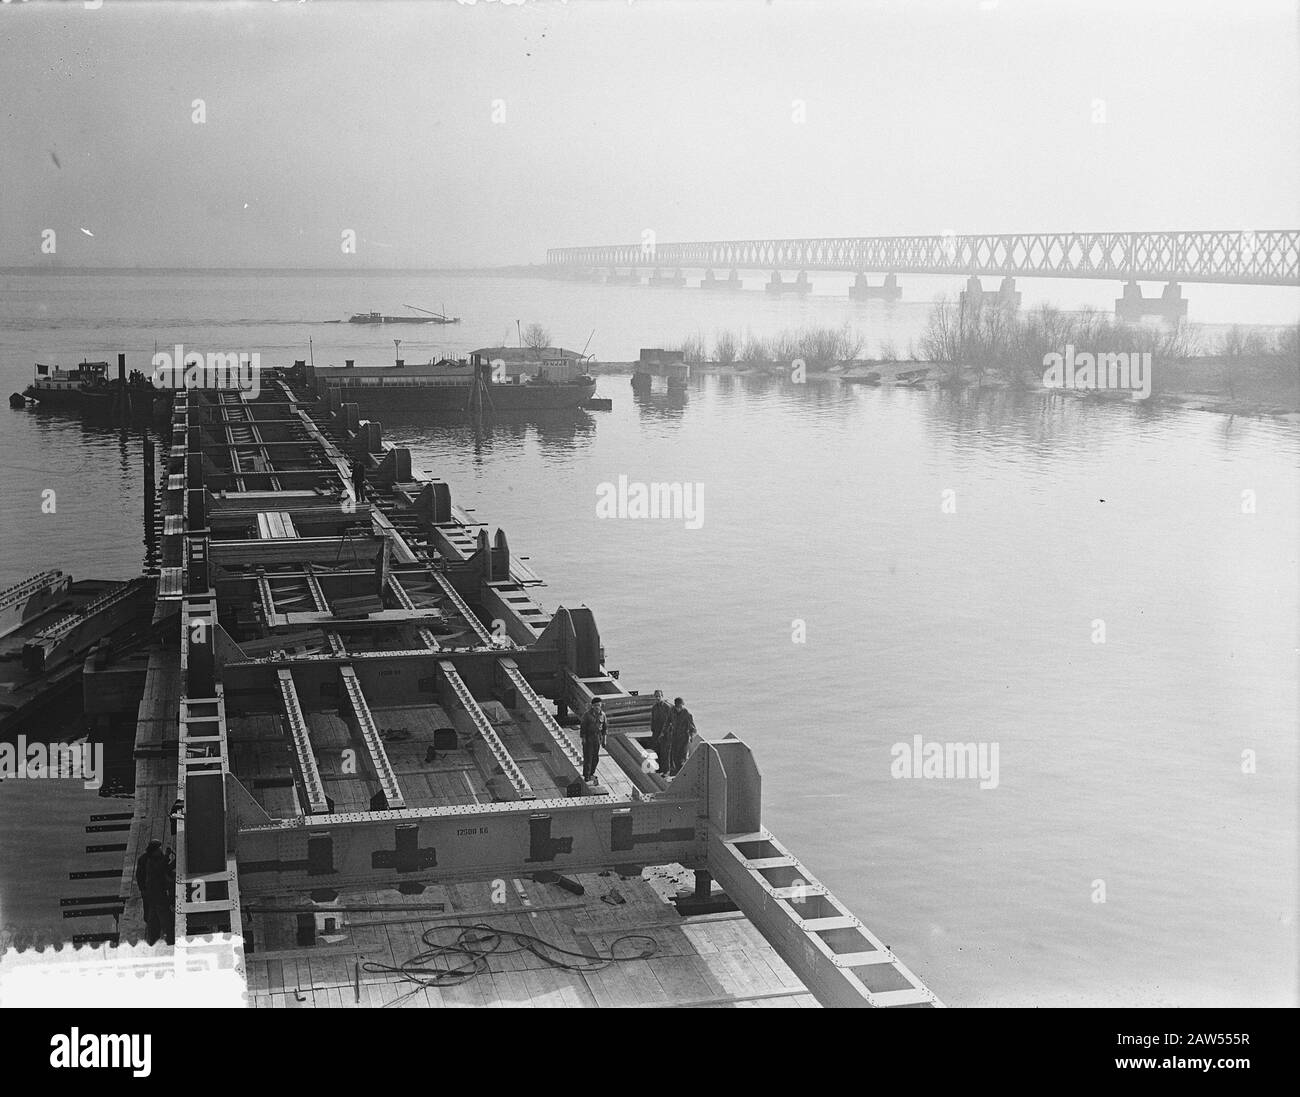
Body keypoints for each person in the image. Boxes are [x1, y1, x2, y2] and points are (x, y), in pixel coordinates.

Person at [135, 838, 176, 945]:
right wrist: (142, 889)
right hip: (153, 893)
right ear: (153, 851)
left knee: (154, 916)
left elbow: (165, 869)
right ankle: (165, 939)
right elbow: (158, 870)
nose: (160, 851)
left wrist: (175, 861)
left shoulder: (158, 857)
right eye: (158, 849)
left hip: (157, 892)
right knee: (161, 917)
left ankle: (154, 938)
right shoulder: (147, 861)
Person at [666, 697, 697, 777]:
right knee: (674, 756)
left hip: (683, 738)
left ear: (682, 705)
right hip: (674, 737)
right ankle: (675, 772)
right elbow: (667, 722)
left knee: (682, 757)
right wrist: (664, 733)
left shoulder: (687, 714)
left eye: (680, 707)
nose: (678, 709)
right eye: (677, 707)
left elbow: (693, 728)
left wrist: (691, 737)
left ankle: (681, 774)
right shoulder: (672, 711)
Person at [580, 697, 607, 783]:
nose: (597, 707)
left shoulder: (603, 715)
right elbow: (583, 728)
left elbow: (605, 729)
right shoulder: (587, 715)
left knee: (595, 758)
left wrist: (604, 740)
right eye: (595, 705)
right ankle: (586, 775)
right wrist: (583, 738)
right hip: (589, 738)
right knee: (588, 757)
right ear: (592, 706)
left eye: (598, 705)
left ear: (601, 705)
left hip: (597, 738)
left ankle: (592, 773)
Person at [649, 690, 673, 771]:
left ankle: (666, 770)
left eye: (659, 696)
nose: (658, 698)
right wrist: (653, 732)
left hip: (666, 734)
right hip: (656, 732)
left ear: (662, 696)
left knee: (665, 753)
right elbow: (653, 720)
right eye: (656, 696)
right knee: (656, 751)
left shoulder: (667, 707)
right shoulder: (654, 708)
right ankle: (658, 769)